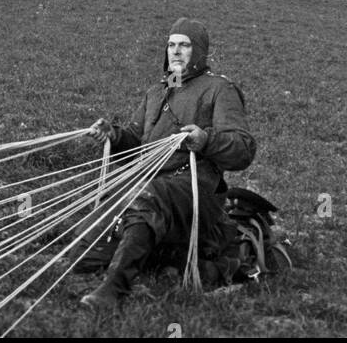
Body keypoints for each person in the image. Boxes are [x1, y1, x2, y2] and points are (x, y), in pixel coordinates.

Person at [80, 18, 256, 311]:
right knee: (87, 254)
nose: (176, 51)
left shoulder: (220, 89)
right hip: (150, 183)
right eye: (172, 45)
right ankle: (170, 254)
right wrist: (115, 135)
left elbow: (243, 148)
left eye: (184, 45)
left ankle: (113, 291)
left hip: (194, 187)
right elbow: (136, 143)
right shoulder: (157, 91)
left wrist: (205, 139)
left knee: (147, 200)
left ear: (198, 51)